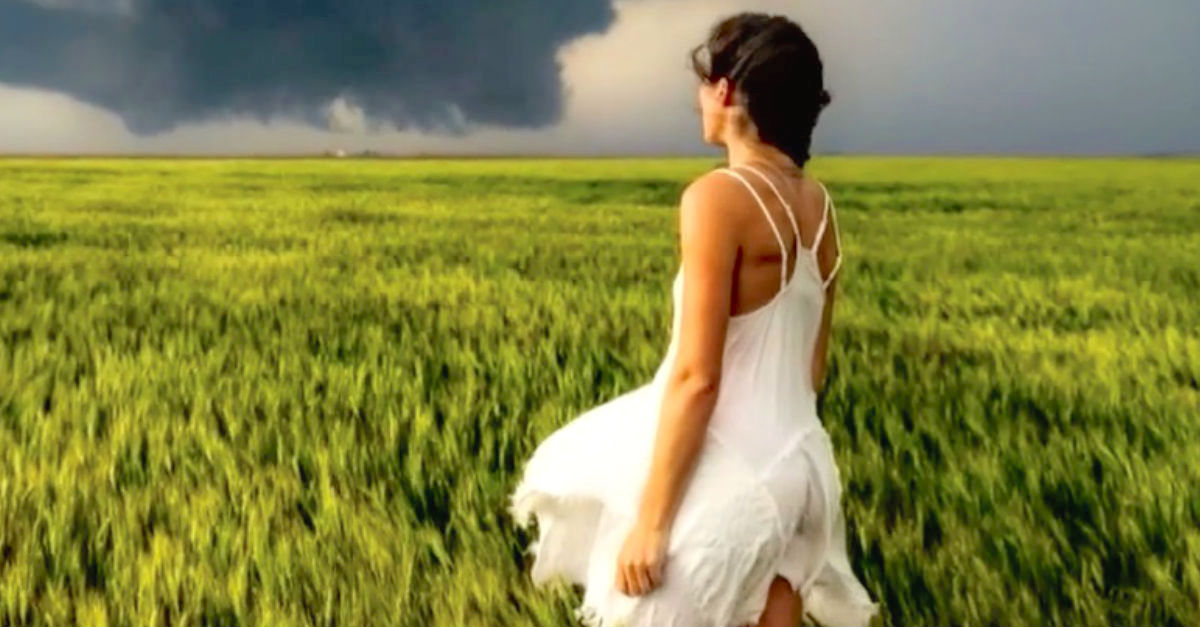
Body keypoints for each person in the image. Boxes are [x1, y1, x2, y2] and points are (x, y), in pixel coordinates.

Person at [509, 11, 880, 627]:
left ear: (726, 91)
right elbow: (811, 370)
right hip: (804, 472)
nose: (698, 100)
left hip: (736, 476)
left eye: (703, 85)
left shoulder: (717, 198)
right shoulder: (821, 209)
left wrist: (652, 525)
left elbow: (697, 378)